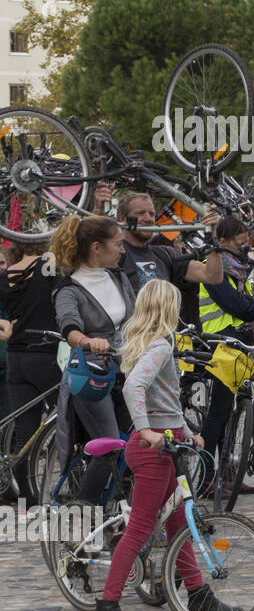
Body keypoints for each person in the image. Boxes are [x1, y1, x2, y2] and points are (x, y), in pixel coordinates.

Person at [95, 279, 240, 611]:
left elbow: (163, 399)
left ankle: (198, 595)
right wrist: (145, 430)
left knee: (179, 525)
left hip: (168, 443)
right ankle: (107, 607)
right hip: (153, 449)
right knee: (141, 528)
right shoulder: (160, 346)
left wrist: (186, 432)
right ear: (170, 308)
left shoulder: (148, 343)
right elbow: (135, 387)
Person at [52, 215, 136, 505]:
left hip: (126, 372)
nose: (122, 250)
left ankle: (119, 511)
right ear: (97, 247)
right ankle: (81, 511)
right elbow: (69, 329)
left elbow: (136, 320)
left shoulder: (118, 277)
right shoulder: (68, 289)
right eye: (118, 244)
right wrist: (89, 342)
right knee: (110, 445)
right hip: (92, 377)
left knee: (135, 443)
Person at [197, 217, 254, 486]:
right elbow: (241, 306)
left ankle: (223, 475)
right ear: (222, 242)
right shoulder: (211, 269)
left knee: (227, 410)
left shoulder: (238, 269)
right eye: (240, 242)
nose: (245, 247)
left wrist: (252, 306)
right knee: (218, 412)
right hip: (219, 343)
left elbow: (248, 304)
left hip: (236, 342)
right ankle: (206, 477)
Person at [0, 239, 61, 507]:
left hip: (16, 357)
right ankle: (68, 489)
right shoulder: (48, 267)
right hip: (47, 354)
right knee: (68, 422)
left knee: (25, 433)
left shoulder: (6, 274)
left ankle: (27, 498)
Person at [115, 191, 224, 328]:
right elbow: (93, 238)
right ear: (122, 218)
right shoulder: (116, 253)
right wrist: (99, 208)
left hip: (163, 339)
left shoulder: (165, 254)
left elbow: (213, 276)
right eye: (140, 213)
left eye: (151, 214)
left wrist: (213, 233)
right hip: (129, 338)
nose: (148, 219)